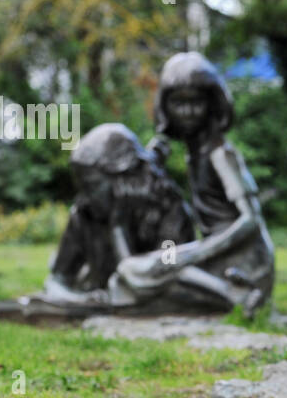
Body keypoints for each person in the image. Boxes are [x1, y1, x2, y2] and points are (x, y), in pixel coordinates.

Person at [113, 53, 275, 316]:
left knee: (135, 271)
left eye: (196, 102)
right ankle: (226, 294)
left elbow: (251, 219)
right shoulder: (194, 153)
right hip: (217, 254)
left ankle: (239, 295)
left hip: (246, 259)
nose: (187, 112)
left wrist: (195, 254)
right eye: (178, 103)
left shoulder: (221, 154)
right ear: (166, 106)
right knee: (135, 271)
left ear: (212, 103)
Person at [40, 123, 194, 308]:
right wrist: (78, 300)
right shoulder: (84, 214)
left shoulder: (172, 213)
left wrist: (119, 228)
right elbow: (56, 281)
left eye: (91, 186)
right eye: (81, 186)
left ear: (122, 179)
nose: (84, 197)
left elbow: (160, 278)